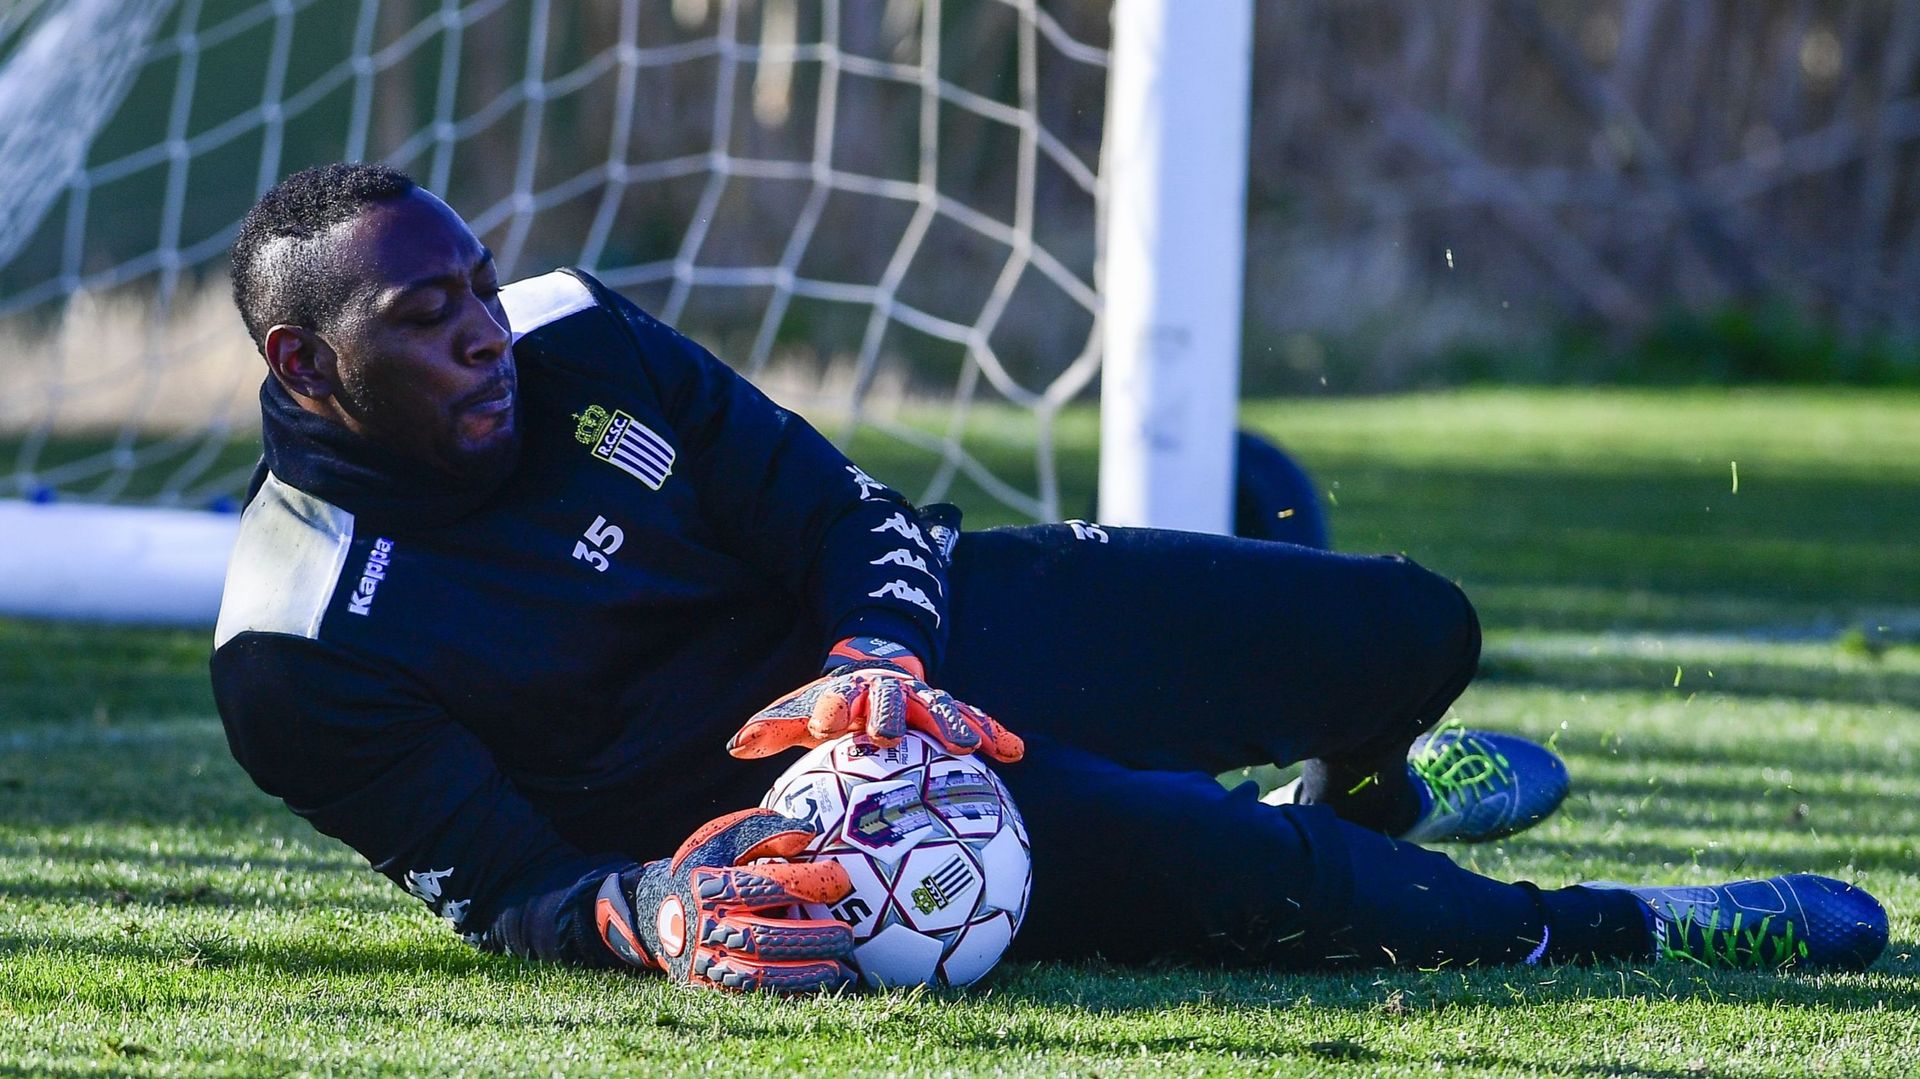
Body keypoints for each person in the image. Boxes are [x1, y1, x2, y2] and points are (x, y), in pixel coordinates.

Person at [210, 163, 1887, 992]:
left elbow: (836, 509)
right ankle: (1622, 933)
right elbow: (506, 886)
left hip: (924, 643)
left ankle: (1379, 795)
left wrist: (880, 655)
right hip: (821, 824)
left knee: (1409, 625)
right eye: (420, 322)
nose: (481, 334)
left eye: (477, 288)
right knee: (1267, 878)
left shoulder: (582, 339)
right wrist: (656, 909)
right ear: (303, 364)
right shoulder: (291, 645)